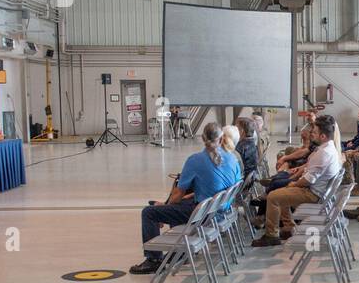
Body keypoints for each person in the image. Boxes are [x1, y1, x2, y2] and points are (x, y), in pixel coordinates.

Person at [130, 123, 243, 274]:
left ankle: (153, 259)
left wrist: (165, 207)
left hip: (205, 215)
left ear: (203, 138)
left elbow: (177, 196)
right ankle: (181, 252)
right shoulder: (232, 158)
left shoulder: (195, 160)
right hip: (221, 210)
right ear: (222, 137)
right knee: (181, 206)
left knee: (149, 212)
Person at [252, 114, 342, 247]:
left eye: (315, 132)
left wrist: (294, 184)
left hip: (313, 194)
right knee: (280, 191)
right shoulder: (327, 148)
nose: (312, 133)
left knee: (273, 196)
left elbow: (308, 180)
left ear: (323, 136)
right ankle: (288, 227)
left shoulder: (324, 153)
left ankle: (271, 235)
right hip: (317, 190)